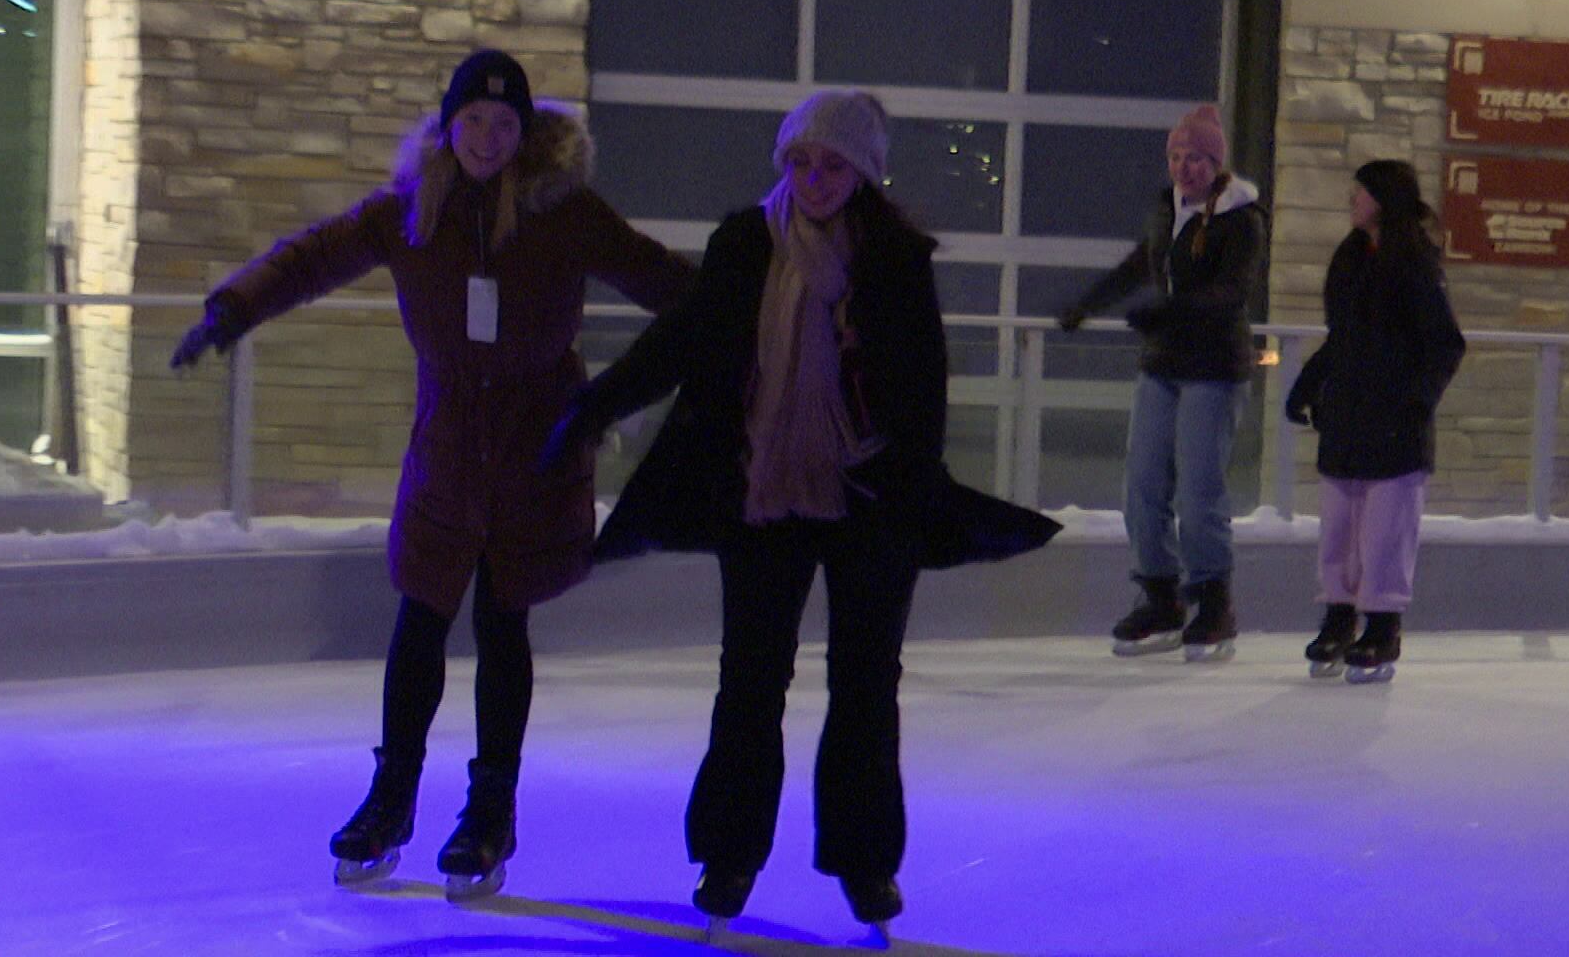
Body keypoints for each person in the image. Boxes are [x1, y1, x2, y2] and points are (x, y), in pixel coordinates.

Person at [169, 49, 695, 898]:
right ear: (448, 125)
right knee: (420, 619)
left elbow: (663, 278)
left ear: (525, 135)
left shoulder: (564, 213)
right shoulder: (410, 211)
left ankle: (490, 810)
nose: (487, 137)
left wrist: (763, 313)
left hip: (537, 447)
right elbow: (311, 258)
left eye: (505, 123)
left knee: (502, 622)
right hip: (447, 446)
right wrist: (231, 309)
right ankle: (393, 797)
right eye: (474, 120)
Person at [542, 89, 1059, 935]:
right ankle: (729, 856)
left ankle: (864, 865)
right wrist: (595, 405)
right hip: (762, 492)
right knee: (749, 680)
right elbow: (682, 339)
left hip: (868, 500)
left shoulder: (894, 255)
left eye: (833, 165)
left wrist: (908, 490)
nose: (814, 179)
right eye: (801, 162)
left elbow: (924, 389)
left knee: (866, 686)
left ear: (863, 173)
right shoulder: (745, 243)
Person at [1055, 105, 1267, 662]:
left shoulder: (1240, 219)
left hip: (1214, 369)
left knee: (1198, 492)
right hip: (1163, 365)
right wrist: (1089, 303)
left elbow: (1231, 292)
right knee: (1143, 486)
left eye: (1194, 157)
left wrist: (1167, 313)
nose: (1183, 168)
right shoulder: (1165, 209)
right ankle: (1159, 596)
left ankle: (1213, 601)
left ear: (1215, 163)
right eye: (1175, 157)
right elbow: (1140, 265)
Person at [1285, 160, 1464, 684]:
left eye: (1360, 191)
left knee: (1386, 530)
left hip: (1394, 424)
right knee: (1339, 527)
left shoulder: (1414, 265)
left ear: (1384, 199)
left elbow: (1445, 344)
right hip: (1347, 416)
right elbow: (1342, 337)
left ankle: (1382, 625)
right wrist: (1307, 386)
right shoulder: (1350, 258)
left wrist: (1415, 401)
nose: (1352, 198)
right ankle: (1339, 615)